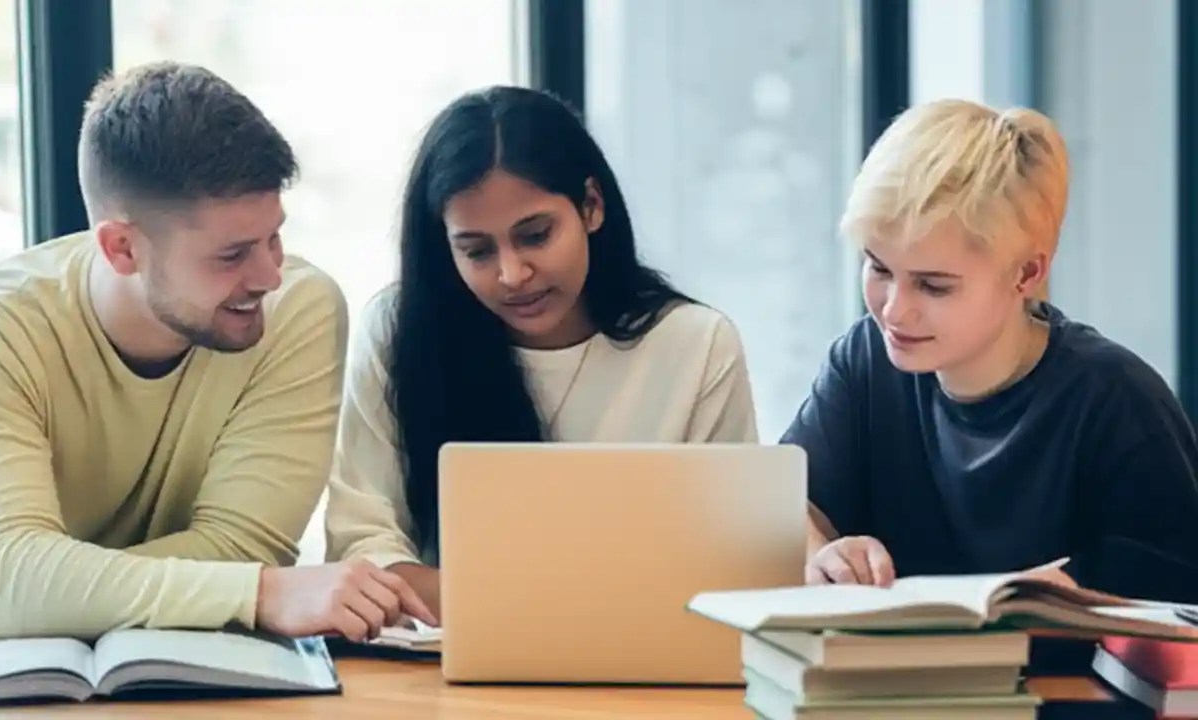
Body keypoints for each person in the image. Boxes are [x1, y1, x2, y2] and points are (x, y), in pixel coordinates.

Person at [0, 61, 435, 641]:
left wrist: (42, 592)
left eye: (274, 237)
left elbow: (242, 545)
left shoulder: (298, 309)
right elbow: (6, 584)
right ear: (121, 249)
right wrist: (261, 592)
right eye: (232, 254)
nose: (269, 275)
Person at [322, 86, 758, 621]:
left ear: (592, 206)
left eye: (535, 235)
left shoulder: (697, 345)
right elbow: (361, 542)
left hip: (646, 664)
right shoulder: (398, 332)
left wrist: (513, 604)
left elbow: (731, 565)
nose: (512, 275)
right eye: (477, 250)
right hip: (443, 672)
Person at [790, 98, 1198, 602]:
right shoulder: (863, 362)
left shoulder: (1115, 399)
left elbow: (1175, 588)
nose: (894, 311)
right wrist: (821, 553)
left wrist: (1076, 591)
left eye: (933, 286)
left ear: (1027, 273)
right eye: (878, 268)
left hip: (1066, 683)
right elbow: (785, 506)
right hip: (886, 679)